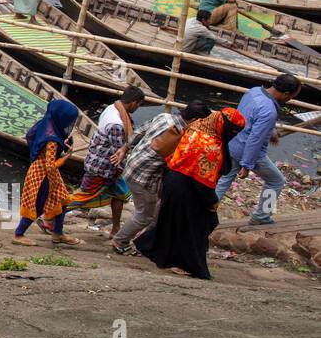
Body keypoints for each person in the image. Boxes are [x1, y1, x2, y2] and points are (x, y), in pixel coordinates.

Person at [137, 108, 245, 278]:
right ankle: (184, 264)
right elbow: (203, 182)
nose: (233, 135)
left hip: (173, 180)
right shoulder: (210, 145)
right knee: (195, 226)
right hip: (188, 187)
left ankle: (161, 251)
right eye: (232, 131)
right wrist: (212, 201)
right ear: (222, 125)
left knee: (175, 221)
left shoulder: (197, 125)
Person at [114, 100, 210, 255]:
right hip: (144, 176)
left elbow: (138, 133)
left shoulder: (163, 117)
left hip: (134, 164)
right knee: (144, 215)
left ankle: (147, 240)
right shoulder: (181, 133)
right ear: (194, 120)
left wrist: (125, 148)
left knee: (152, 210)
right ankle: (120, 240)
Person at [215, 74, 301, 225]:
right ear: (286, 94)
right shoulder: (269, 110)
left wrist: (271, 131)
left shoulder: (253, 92)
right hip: (246, 151)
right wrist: (247, 165)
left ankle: (201, 212)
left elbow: (249, 116)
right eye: (292, 96)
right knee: (276, 181)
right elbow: (254, 140)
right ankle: (261, 216)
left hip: (232, 142)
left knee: (224, 180)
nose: (290, 99)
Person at [64, 86, 146, 238]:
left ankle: (116, 229)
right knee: (82, 196)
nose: (138, 108)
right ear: (134, 103)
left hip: (107, 165)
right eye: (139, 105)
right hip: (102, 167)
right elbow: (119, 152)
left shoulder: (113, 108)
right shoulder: (117, 124)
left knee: (120, 194)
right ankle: (48, 216)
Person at [12, 99, 81, 246]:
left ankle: (58, 233)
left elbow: (30, 136)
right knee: (37, 205)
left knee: (62, 201)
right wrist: (66, 157)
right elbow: (50, 166)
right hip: (42, 175)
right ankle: (18, 234)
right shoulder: (53, 140)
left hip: (42, 169)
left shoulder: (44, 124)